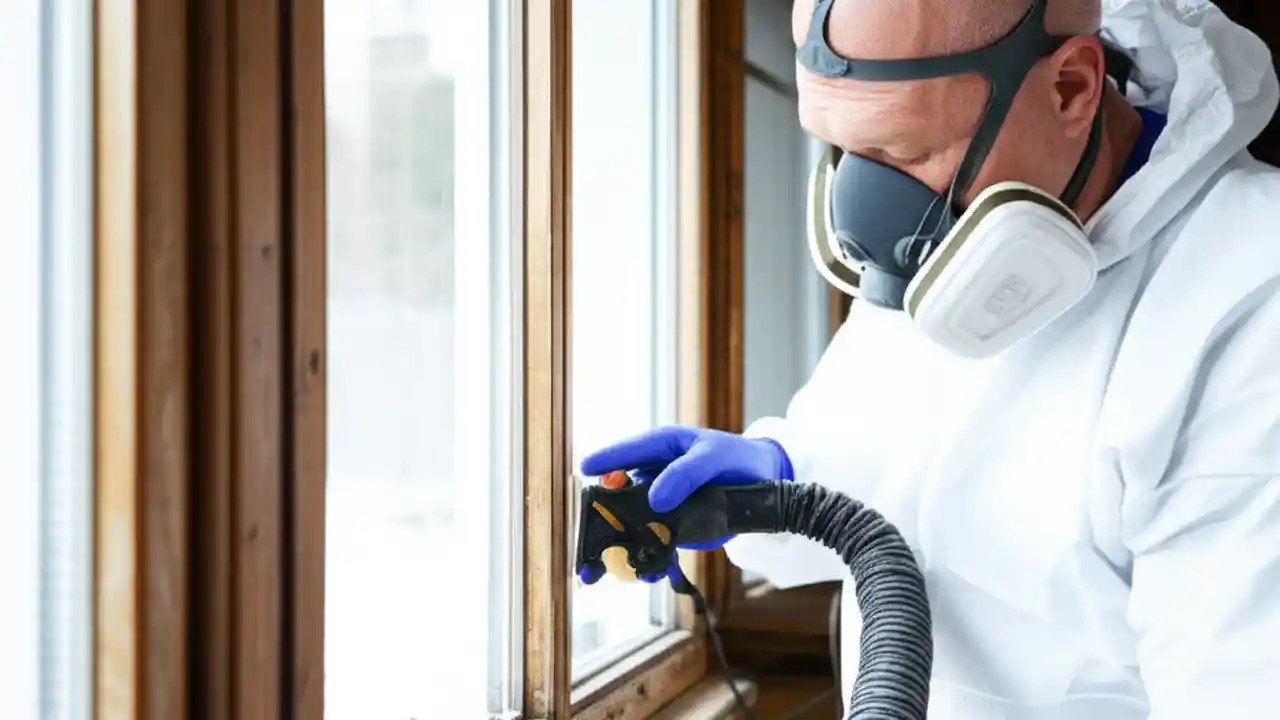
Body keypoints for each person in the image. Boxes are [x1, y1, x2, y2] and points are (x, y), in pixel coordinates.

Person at [580, 0, 1280, 717]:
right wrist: (782, 479)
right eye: (842, 148)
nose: (865, 212)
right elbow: (896, 466)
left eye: (901, 153)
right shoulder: (980, 229)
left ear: (1071, 88)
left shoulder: (1249, 300)